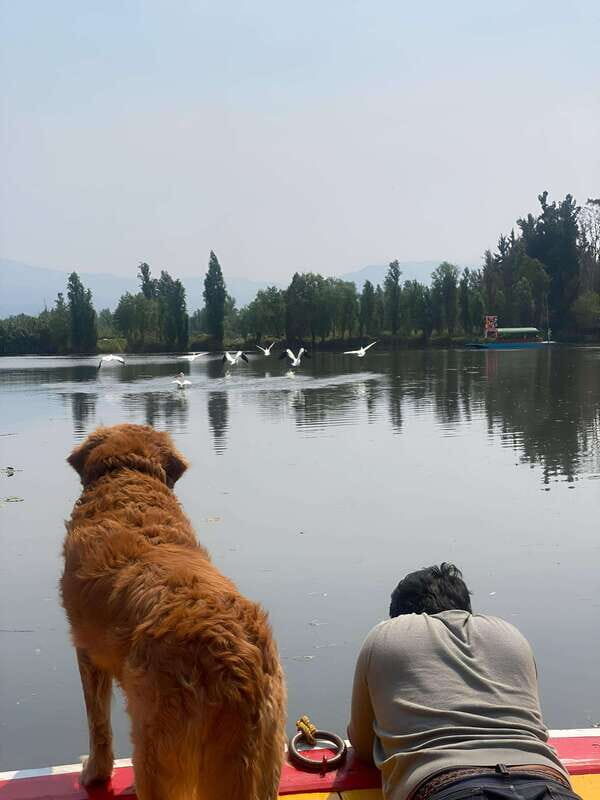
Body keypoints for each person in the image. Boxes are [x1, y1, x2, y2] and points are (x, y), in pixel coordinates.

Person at [348, 563, 581, 800]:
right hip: (549, 783)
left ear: (400, 614)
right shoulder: (510, 634)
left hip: (447, 787)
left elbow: (364, 745)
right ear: (465, 608)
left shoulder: (387, 634)